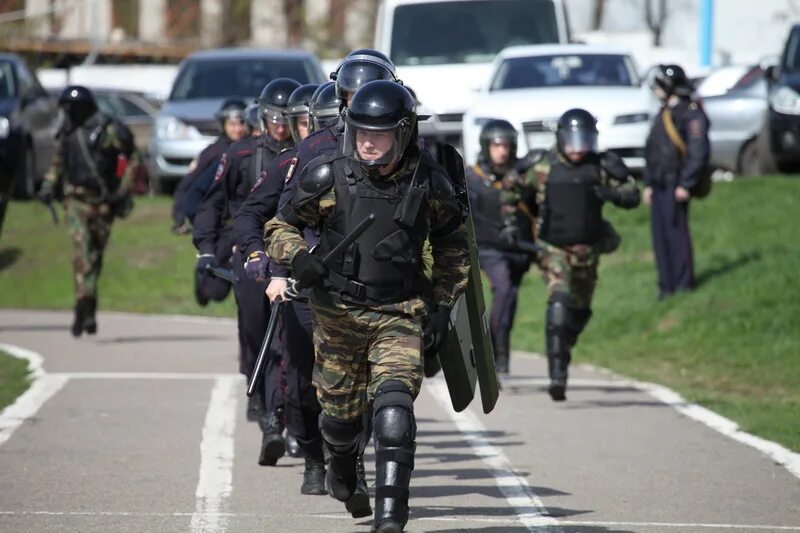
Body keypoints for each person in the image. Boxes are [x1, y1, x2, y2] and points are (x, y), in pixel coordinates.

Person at [264, 80, 470, 532]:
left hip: (400, 312)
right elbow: (280, 226)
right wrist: (300, 258)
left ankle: (392, 518)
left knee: (395, 412)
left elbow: (454, 247)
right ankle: (341, 465)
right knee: (339, 422)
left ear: (403, 132)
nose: (368, 142)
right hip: (337, 313)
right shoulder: (327, 175)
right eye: (360, 132)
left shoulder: (429, 182)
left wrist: (440, 307)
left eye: (378, 134)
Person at [193, 78, 297, 466]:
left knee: (283, 340)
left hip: (291, 259)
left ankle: (277, 421)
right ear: (263, 117)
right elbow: (211, 203)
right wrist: (206, 248)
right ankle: (257, 388)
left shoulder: (309, 156)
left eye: (289, 118)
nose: (282, 126)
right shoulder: (238, 156)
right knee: (255, 331)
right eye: (275, 118)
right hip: (249, 258)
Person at [233, 82, 330, 494]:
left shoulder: (359, 164)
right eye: (304, 124)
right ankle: (310, 455)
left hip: (350, 287)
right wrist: (258, 258)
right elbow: (252, 215)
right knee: (301, 375)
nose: (311, 132)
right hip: (294, 283)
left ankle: (351, 460)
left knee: (354, 379)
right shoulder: (289, 165)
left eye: (318, 123)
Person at [528, 108, 640, 401]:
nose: (578, 148)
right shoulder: (543, 166)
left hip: (588, 251)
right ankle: (557, 376)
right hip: (554, 249)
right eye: (572, 140)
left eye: (584, 140)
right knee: (559, 301)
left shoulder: (602, 166)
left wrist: (613, 194)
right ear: (561, 139)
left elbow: (633, 195)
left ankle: (563, 350)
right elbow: (514, 194)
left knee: (579, 312)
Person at [38, 85, 138, 337]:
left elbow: (133, 158)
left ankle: (88, 304)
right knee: (82, 253)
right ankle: (82, 307)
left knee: (95, 257)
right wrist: (49, 186)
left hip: (104, 203)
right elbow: (58, 163)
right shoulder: (68, 132)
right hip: (76, 201)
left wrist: (122, 191)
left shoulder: (108, 130)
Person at [466, 119, 536, 375]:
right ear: (486, 147)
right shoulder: (472, 177)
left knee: (510, 298)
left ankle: (502, 351)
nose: (502, 151)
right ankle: (495, 350)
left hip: (519, 249)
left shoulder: (523, 175)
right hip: (488, 250)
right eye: (496, 145)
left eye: (506, 145)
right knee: (504, 288)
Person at [644, 64, 710, 299]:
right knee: (660, 238)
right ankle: (666, 287)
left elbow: (697, 151)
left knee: (676, 235)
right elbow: (652, 150)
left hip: (676, 184)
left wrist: (686, 184)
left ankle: (683, 284)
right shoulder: (663, 112)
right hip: (660, 183)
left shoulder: (690, 112)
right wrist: (648, 183)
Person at [171, 98, 248, 234]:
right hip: (219, 221)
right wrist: (181, 217)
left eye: (241, 124)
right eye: (232, 124)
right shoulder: (212, 152)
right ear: (223, 125)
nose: (237, 129)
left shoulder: (255, 148)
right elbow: (187, 185)